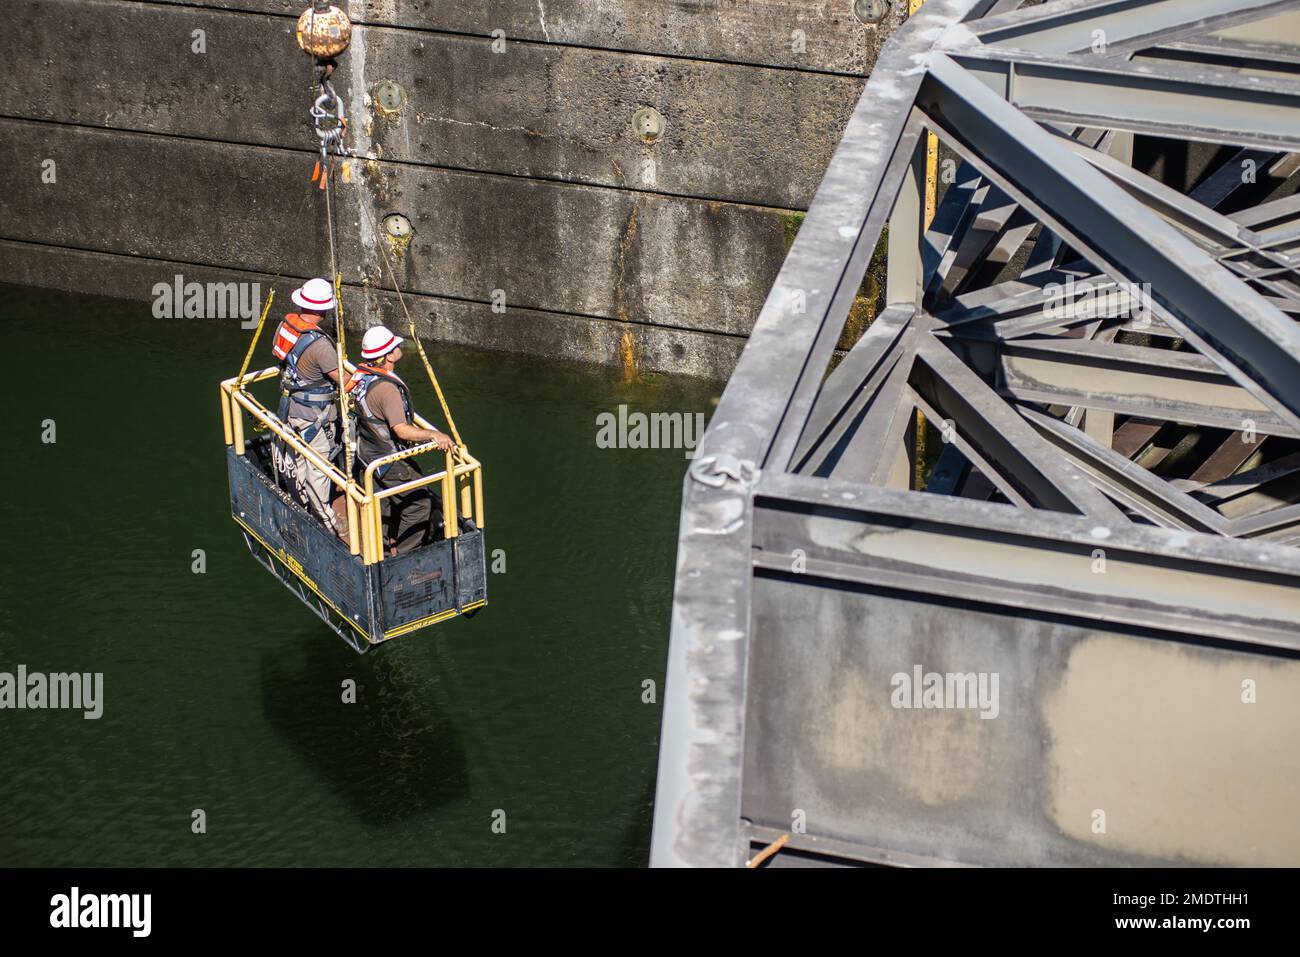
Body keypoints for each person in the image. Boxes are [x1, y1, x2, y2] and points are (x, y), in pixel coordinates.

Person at [347, 325, 455, 554]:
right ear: (387, 355)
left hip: (367, 454)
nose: (398, 347)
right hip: (386, 458)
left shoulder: (363, 377)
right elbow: (401, 430)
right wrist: (434, 435)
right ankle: (405, 557)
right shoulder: (387, 389)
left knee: (381, 503)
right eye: (394, 346)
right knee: (420, 504)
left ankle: (382, 547)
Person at [270, 277, 344, 535]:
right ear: (323, 310)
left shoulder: (285, 326)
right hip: (315, 415)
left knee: (299, 455)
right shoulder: (321, 346)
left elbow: (279, 355)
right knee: (319, 465)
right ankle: (324, 514)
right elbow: (341, 380)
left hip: (289, 407)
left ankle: (301, 499)